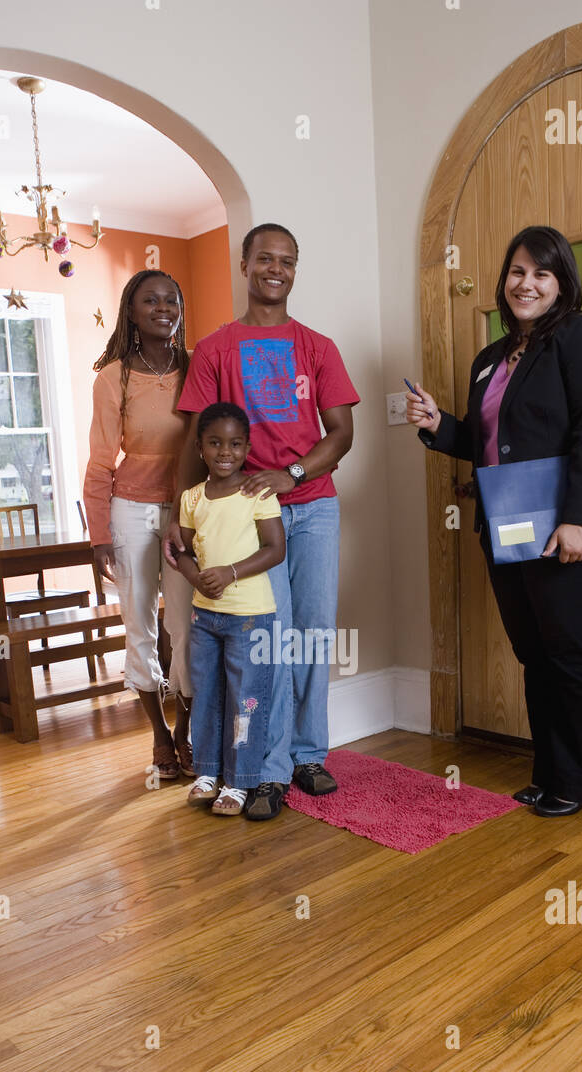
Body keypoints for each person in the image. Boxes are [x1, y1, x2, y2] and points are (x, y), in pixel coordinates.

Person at [407, 225, 582, 817]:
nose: (526, 284)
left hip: (569, 528)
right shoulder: (490, 360)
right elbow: (486, 442)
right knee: (535, 654)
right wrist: (438, 425)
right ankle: (551, 772)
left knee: (574, 653)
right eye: (517, 272)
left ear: (561, 283)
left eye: (541, 273)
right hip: (508, 528)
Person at [164, 223, 360, 821]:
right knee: (269, 644)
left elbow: (342, 433)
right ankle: (270, 771)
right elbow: (189, 438)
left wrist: (292, 475)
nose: (276, 269)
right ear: (245, 263)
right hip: (245, 523)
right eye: (266, 258)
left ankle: (307, 753)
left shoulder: (318, 347)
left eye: (288, 261)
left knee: (312, 635)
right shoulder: (216, 349)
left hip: (314, 508)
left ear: (295, 270)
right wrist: (180, 514)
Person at [84, 269, 195, 780]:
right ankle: (157, 735)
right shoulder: (113, 378)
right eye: (149, 301)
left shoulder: (196, 368)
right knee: (140, 627)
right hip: (130, 509)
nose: (162, 308)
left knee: (187, 626)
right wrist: (100, 535)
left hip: (187, 512)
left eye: (170, 300)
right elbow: (101, 464)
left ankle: (186, 732)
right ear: (131, 311)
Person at [176, 402, 286, 815]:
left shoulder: (257, 493)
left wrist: (230, 573)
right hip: (204, 617)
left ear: (247, 447)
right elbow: (182, 552)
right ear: (201, 447)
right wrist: (196, 576)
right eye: (215, 443)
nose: (226, 452)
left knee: (245, 701)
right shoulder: (191, 498)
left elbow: (276, 549)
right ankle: (207, 772)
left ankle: (240, 783)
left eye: (235, 444)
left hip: (251, 617)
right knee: (206, 694)